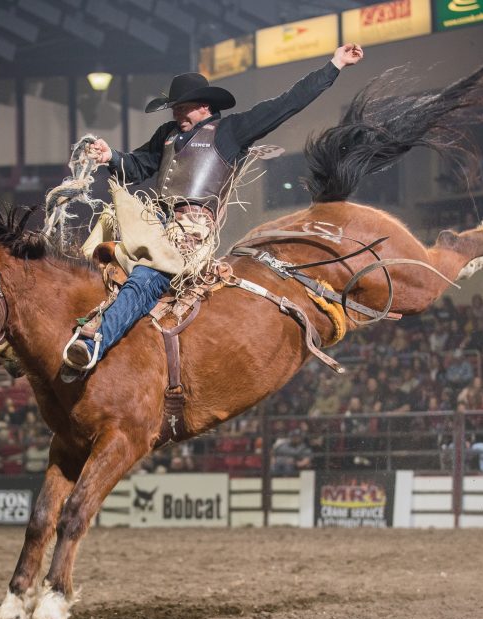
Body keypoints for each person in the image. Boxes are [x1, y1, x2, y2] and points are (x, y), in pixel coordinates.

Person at [62, 42, 366, 373]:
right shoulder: (167, 134)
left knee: (148, 276)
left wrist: (334, 64)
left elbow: (287, 104)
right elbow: (138, 165)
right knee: (95, 257)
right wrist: (112, 157)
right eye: (175, 109)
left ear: (204, 106)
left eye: (182, 108)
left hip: (191, 233)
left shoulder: (231, 131)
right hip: (156, 222)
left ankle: (95, 343)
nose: (176, 115)